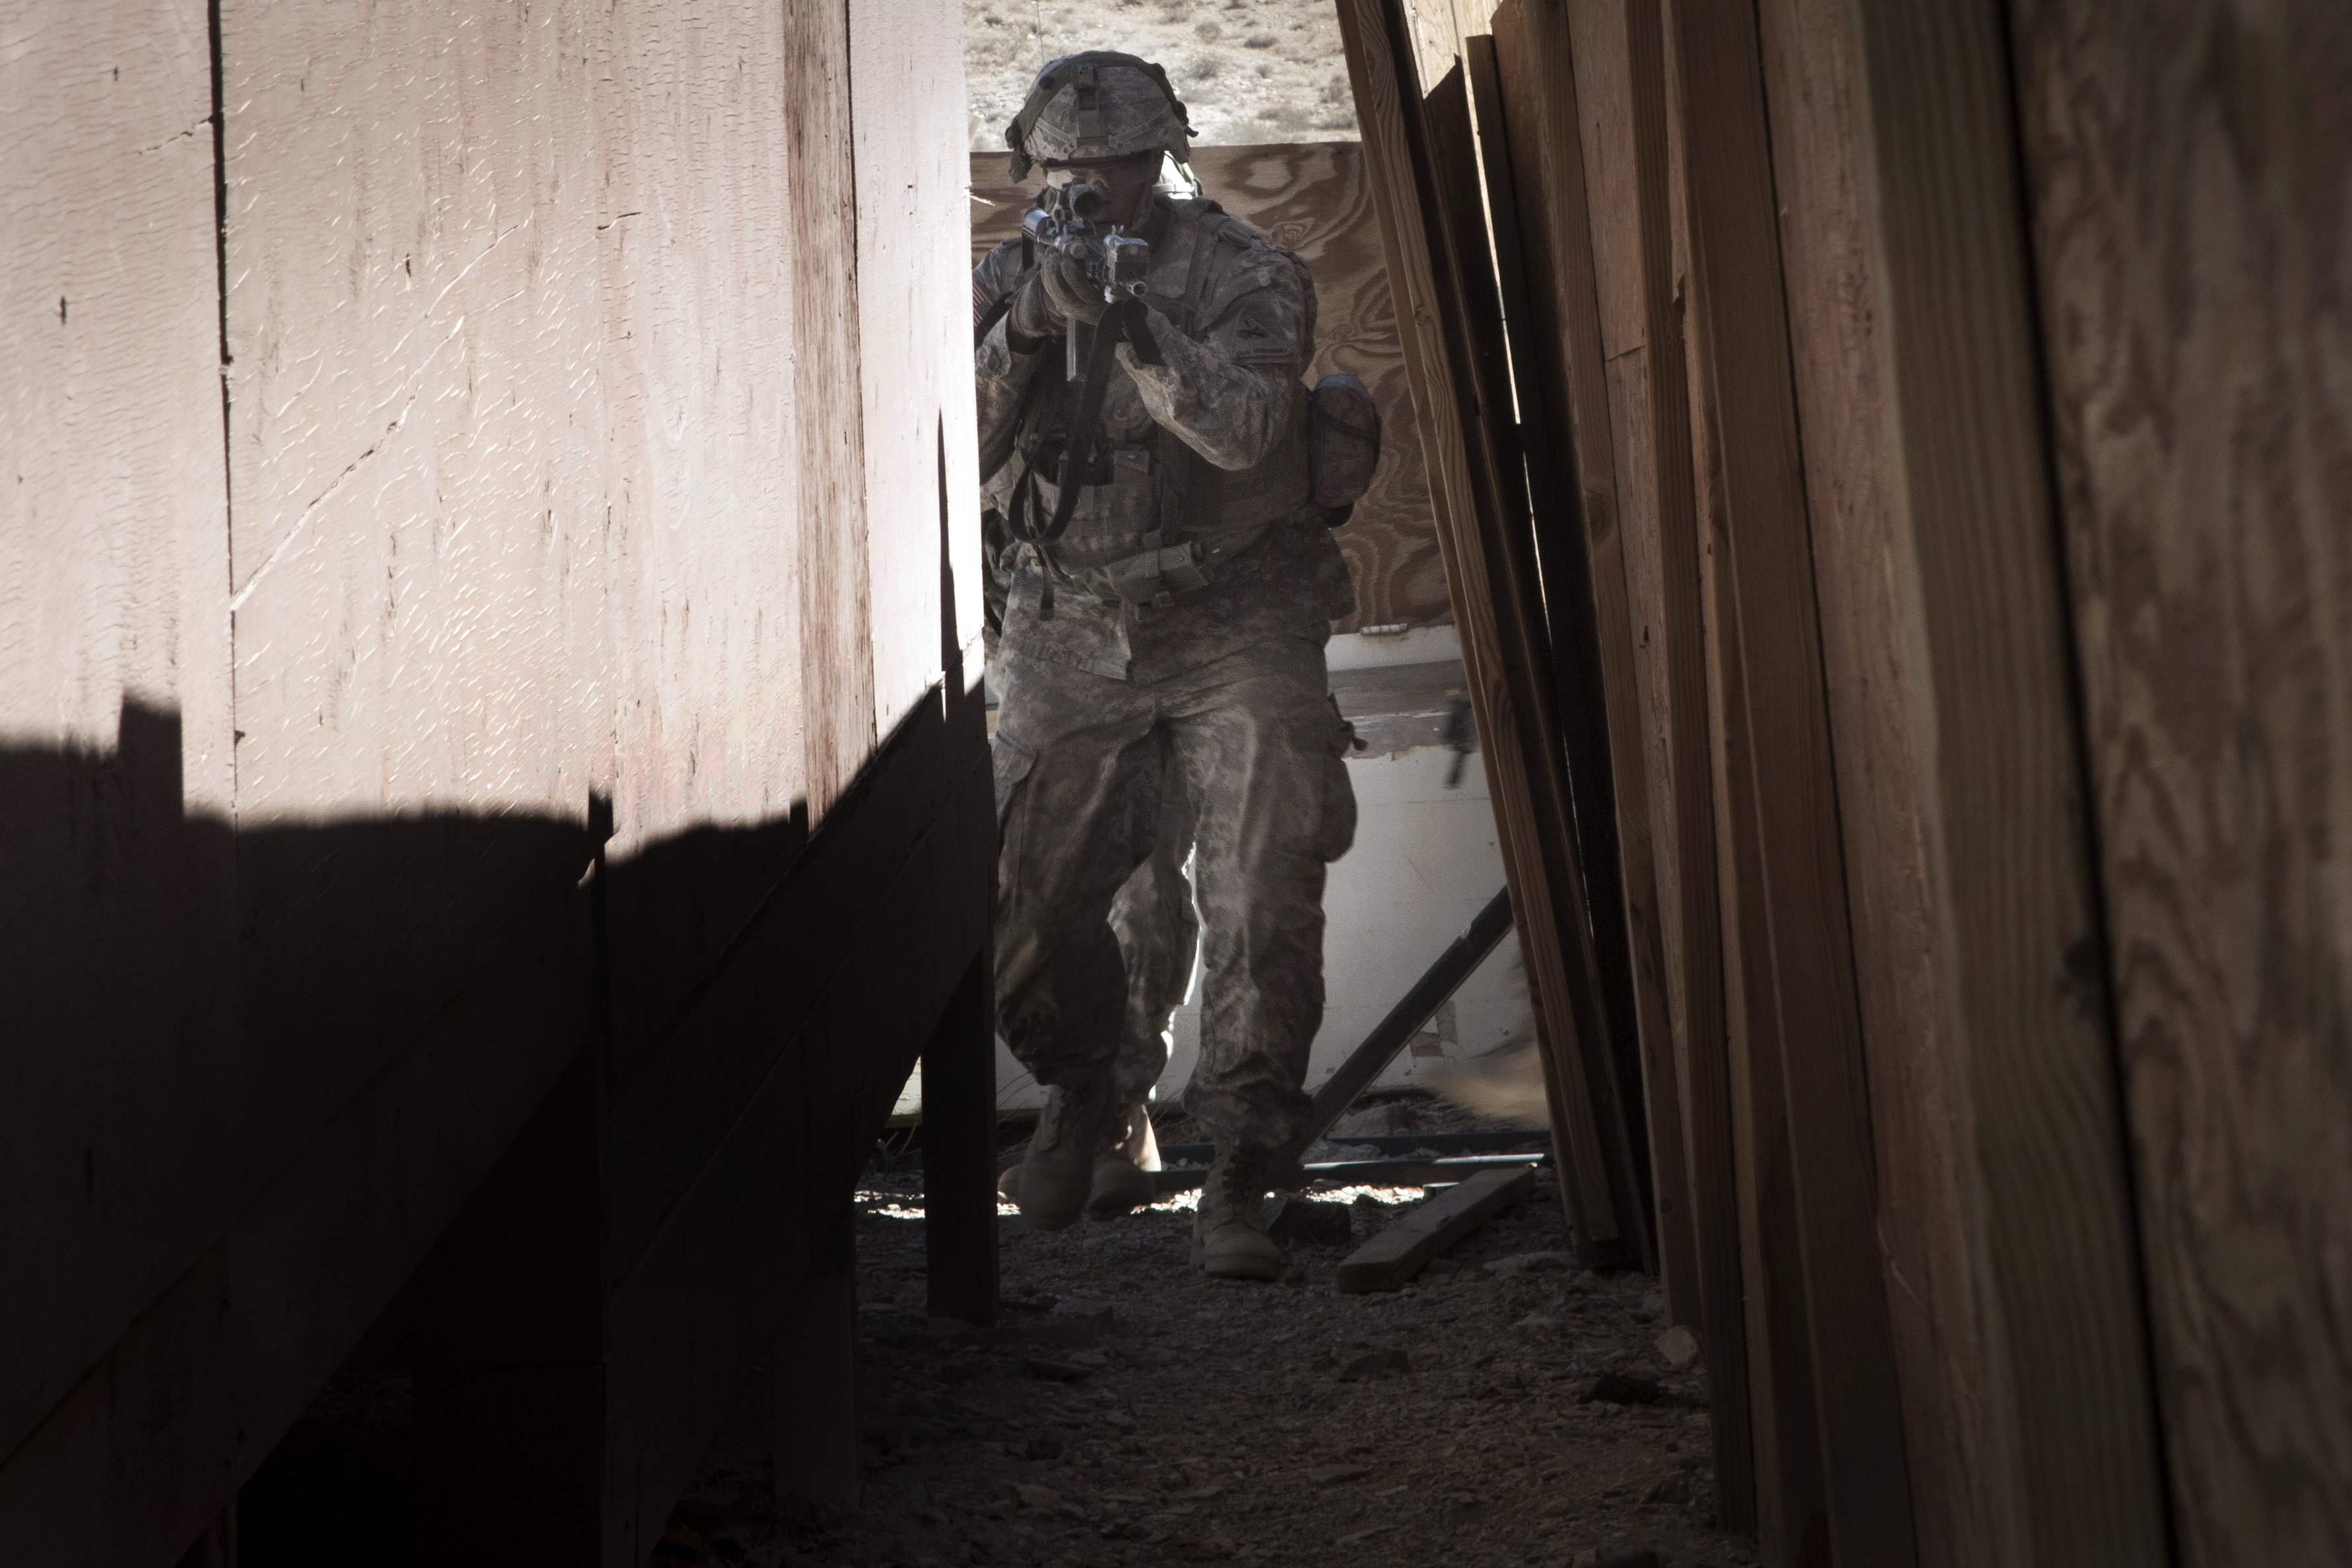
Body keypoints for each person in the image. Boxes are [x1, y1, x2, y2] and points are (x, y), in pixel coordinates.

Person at [973, 52, 1360, 1280]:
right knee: (1022, 912)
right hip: (1068, 627)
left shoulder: (1245, 272)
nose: (1092, 193)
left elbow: (1244, 434)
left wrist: (1135, 323)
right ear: (1038, 172)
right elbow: (947, 438)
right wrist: (1034, 320)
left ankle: (1244, 1159)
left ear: (1166, 161)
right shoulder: (1003, 274)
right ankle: (1091, 1092)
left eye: (1119, 169)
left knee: (1262, 891)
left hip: (1236, 616)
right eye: (1066, 171)